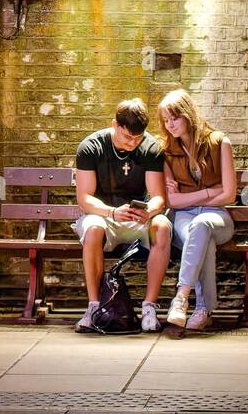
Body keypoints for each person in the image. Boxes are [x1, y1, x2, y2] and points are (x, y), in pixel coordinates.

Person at [73, 98, 173, 333]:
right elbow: (84, 199)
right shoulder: (90, 147)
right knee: (93, 228)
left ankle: (149, 308)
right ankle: (94, 307)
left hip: (138, 218)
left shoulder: (151, 148)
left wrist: (149, 210)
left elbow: (159, 197)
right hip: (103, 215)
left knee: (163, 226)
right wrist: (112, 212)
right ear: (115, 125)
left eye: (137, 138)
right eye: (128, 137)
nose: (133, 143)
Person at [158, 88, 236, 331]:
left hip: (218, 217)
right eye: (166, 120)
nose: (170, 125)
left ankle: (181, 297)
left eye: (175, 118)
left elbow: (230, 194)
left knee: (202, 225)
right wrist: (210, 192)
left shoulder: (220, 143)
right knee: (202, 237)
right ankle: (203, 310)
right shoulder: (166, 152)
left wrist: (189, 198)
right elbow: (172, 202)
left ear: (188, 115)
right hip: (183, 217)